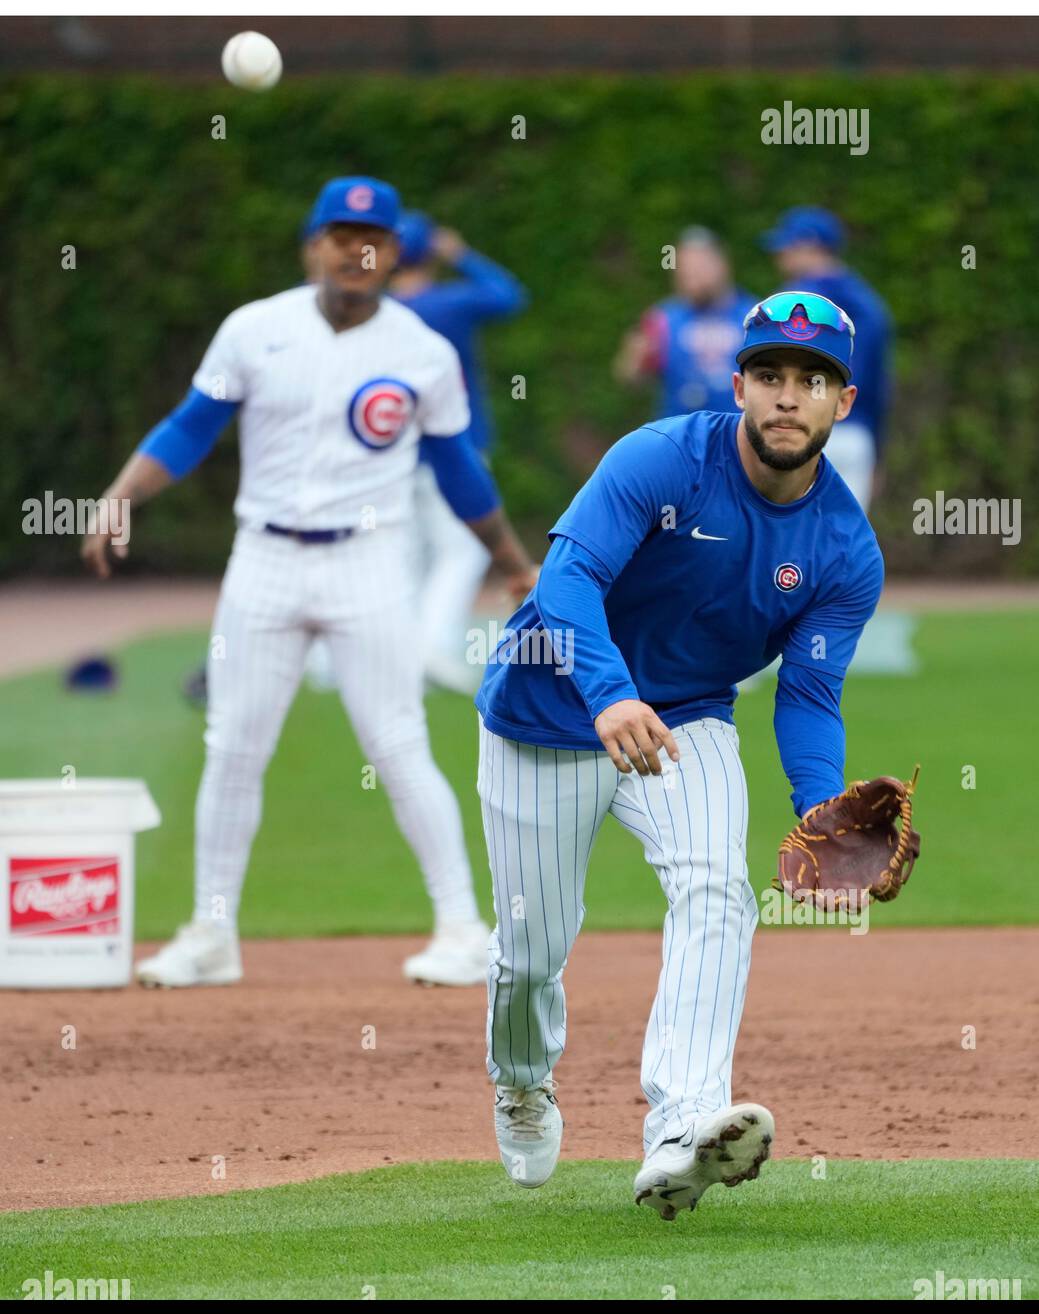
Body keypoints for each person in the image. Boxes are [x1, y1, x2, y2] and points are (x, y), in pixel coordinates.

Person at [474, 290, 883, 1219]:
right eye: (770, 375)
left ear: (841, 403)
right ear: (737, 384)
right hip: (546, 709)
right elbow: (568, 578)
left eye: (812, 380)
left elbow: (809, 693)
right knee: (530, 953)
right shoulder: (661, 458)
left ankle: (683, 1119)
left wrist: (821, 808)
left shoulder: (844, 552)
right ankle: (522, 1079)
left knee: (716, 888)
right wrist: (610, 693)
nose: (789, 396)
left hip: (687, 716)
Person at [81, 175, 538, 990]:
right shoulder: (255, 329)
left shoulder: (421, 350)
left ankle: (464, 929)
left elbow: (456, 468)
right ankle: (211, 936)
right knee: (231, 746)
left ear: (394, 254)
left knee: (397, 744)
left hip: (370, 562)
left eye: (373, 238)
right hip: (263, 557)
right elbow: (191, 426)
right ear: (313, 246)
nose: (355, 250)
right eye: (338, 234)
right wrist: (120, 495)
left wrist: (509, 564)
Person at [390, 211, 528, 694]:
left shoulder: (379, 310)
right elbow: (510, 294)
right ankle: (432, 648)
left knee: (408, 555)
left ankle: (403, 657)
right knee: (464, 549)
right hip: (457, 448)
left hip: (392, 451)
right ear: (428, 254)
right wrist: (459, 252)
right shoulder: (448, 302)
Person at [763, 206, 893, 512]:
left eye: (787, 246)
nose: (779, 255)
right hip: (855, 433)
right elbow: (879, 388)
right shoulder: (871, 304)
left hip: (798, 429)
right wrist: (878, 451)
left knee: (789, 534)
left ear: (811, 246)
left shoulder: (791, 304)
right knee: (844, 542)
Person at [614, 226, 755, 418]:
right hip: (678, 438)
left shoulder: (754, 316)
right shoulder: (663, 318)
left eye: (699, 267)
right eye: (684, 269)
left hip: (737, 435)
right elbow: (630, 379)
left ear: (722, 264)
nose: (690, 277)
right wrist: (636, 360)